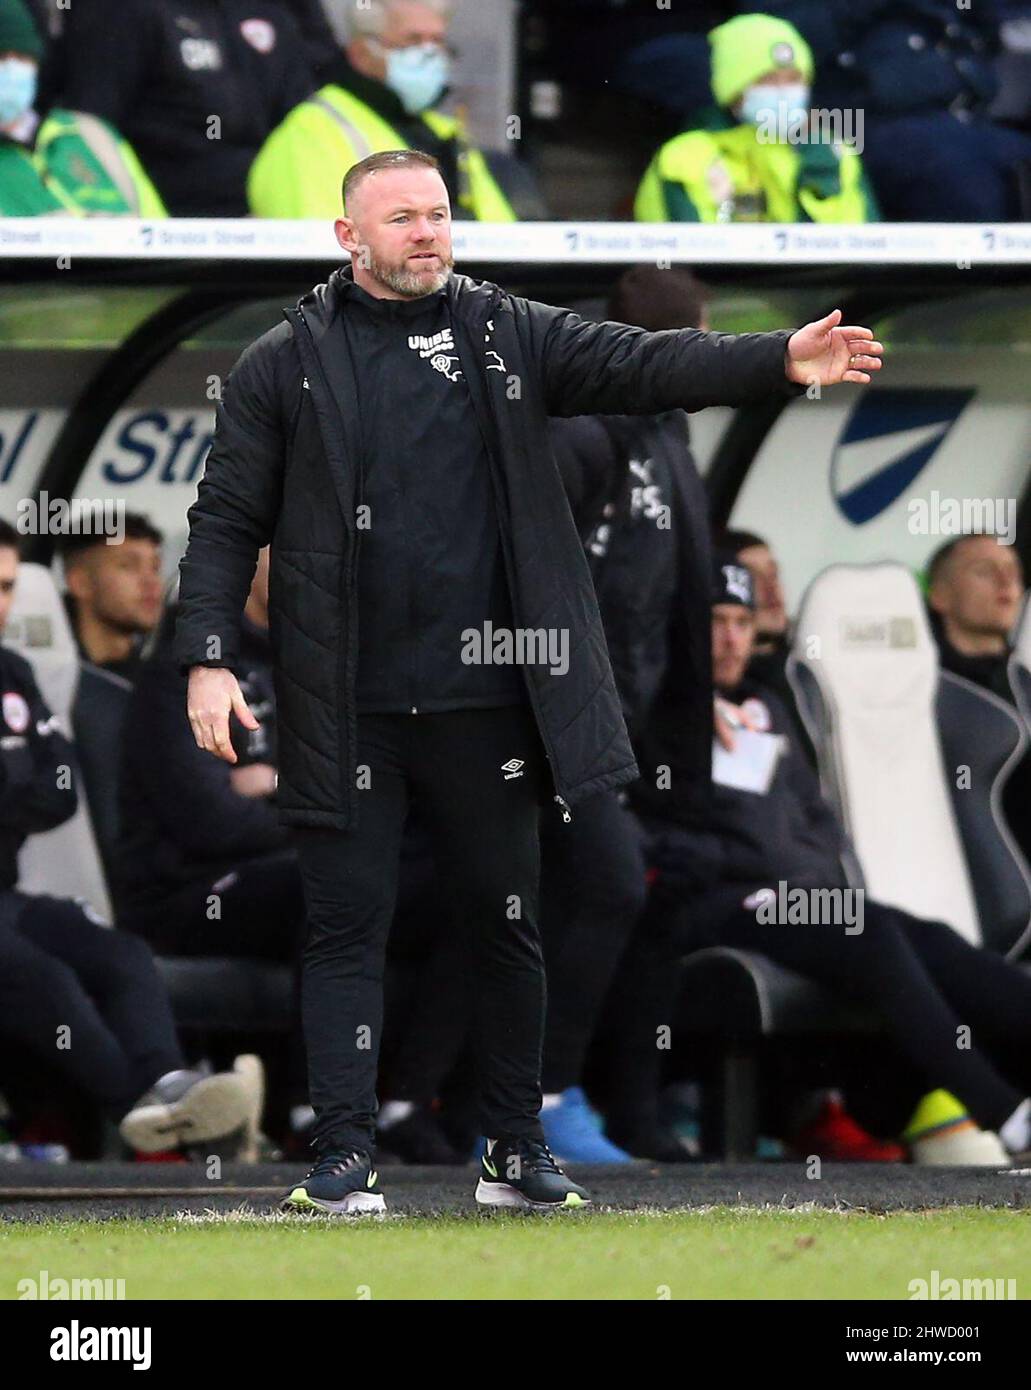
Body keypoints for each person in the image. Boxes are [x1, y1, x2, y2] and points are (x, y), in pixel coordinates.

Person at [174, 145, 883, 1216]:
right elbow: (224, 522)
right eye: (401, 217)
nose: (425, 231)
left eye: (437, 213)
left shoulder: (506, 330)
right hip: (345, 700)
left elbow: (644, 365)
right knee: (344, 926)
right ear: (347, 237)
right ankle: (343, 1155)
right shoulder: (285, 361)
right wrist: (209, 659)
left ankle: (513, 1144)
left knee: (508, 919)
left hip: (489, 698)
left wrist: (776, 357)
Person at [634, 554, 1031, 1164]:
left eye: (742, 622)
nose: (732, 638)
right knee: (866, 928)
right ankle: (1004, 1114)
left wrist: (808, 876)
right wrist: (755, 867)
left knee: (927, 936)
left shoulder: (766, 709)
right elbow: (646, 833)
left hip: (793, 897)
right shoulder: (653, 716)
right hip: (711, 902)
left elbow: (819, 823)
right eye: (715, 621)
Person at [0, 519, 253, 1158]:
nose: (0, 604)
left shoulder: (14, 671)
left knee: (121, 958)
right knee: (44, 976)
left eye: (6, 588)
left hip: (9, 893)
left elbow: (58, 791)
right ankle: (150, 1118)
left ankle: (167, 1088)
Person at [247, 0, 540, 220]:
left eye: (436, 41)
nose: (428, 54)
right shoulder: (307, 136)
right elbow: (320, 268)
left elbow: (502, 237)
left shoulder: (445, 132)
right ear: (361, 53)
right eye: (412, 40)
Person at [758, 0, 1031, 221]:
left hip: (960, 117)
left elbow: (989, 24)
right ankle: (969, 284)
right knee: (954, 169)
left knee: (1010, 155)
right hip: (846, 121)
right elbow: (772, 36)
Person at [61, 0, 316, 217]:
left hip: (277, 220)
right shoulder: (123, 10)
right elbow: (89, 125)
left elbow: (299, 123)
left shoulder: (266, 12)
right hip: (174, 227)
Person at [635, 13, 876, 224]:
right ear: (733, 91)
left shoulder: (836, 154)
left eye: (793, 79)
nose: (783, 92)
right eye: (767, 81)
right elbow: (689, 258)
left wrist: (818, 176)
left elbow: (870, 253)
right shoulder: (686, 157)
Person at [0, 0, 164, 217]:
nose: (11, 69)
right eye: (1, 57)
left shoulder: (91, 136)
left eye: (22, 57)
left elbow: (159, 233)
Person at [927, 532, 1030, 862]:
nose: (1006, 581)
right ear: (940, 595)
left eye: (1013, 570)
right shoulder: (927, 691)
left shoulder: (1023, 681)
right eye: (985, 571)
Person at [59, 514, 164, 683]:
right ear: (80, 583)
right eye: (128, 566)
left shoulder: (167, 677)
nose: (151, 581)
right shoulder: (46, 674)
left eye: (155, 568)